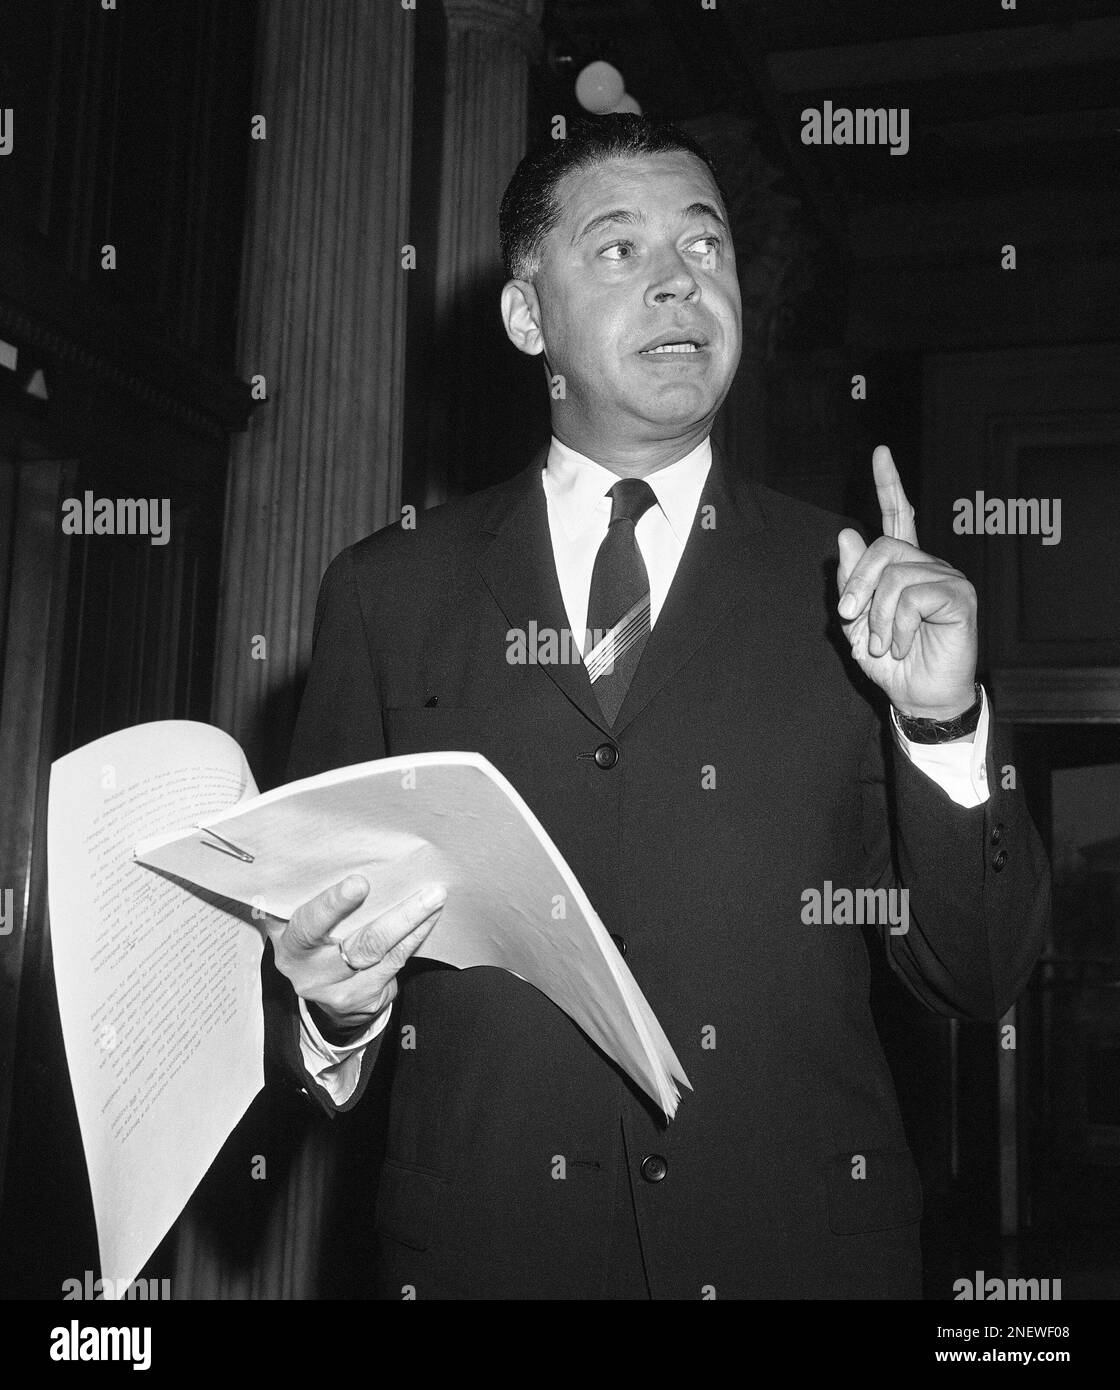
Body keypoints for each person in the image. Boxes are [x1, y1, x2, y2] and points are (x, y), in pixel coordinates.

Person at [262, 115, 1049, 1299]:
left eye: (706, 245)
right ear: (529, 317)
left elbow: (976, 974)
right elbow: (306, 968)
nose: (680, 278)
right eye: (620, 250)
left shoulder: (847, 586)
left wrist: (939, 722)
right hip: (485, 1257)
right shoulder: (390, 592)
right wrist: (330, 1010)